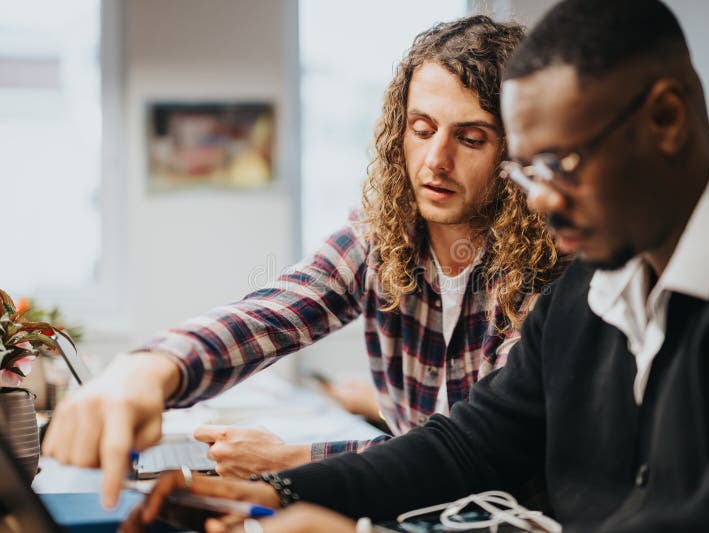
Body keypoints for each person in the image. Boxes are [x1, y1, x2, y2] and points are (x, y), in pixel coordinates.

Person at [123, 0, 709, 531]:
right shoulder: (597, 280)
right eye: (528, 171)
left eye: (559, 165)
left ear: (667, 118)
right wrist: (274, 491)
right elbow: (468, 446)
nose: (542, 202)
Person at [42, 15, 562, 508]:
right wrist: (150, 369)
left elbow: (474, 455)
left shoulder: (550, 269)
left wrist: (296, 464)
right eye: (422, 129)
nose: (436, 160)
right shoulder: (381, 236)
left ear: (518, 150)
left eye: (470, 138)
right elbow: (279, 309)